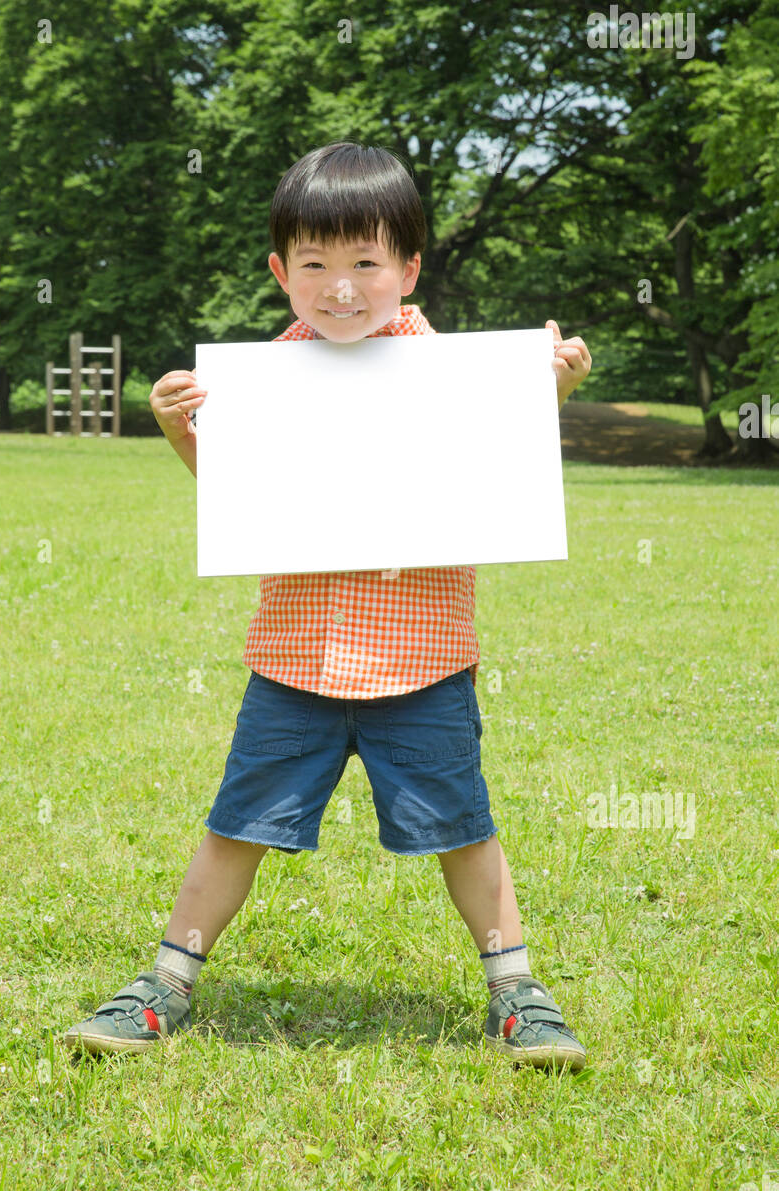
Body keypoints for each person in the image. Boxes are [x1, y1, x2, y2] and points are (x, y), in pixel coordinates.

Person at [62, 141, 592, 1069]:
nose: (340, 287)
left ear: (409, 268)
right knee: (238, 822)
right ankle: (166, 980)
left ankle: (517, 988)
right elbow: (243, 499)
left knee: (463, 825)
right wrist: (178, 429)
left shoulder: (453, 369)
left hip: (421, 658)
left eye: (365, 264)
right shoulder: (269, 373)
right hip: (297, 658)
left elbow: (494, 474)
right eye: (314, 265)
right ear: (280, 272)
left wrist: (541, 394)